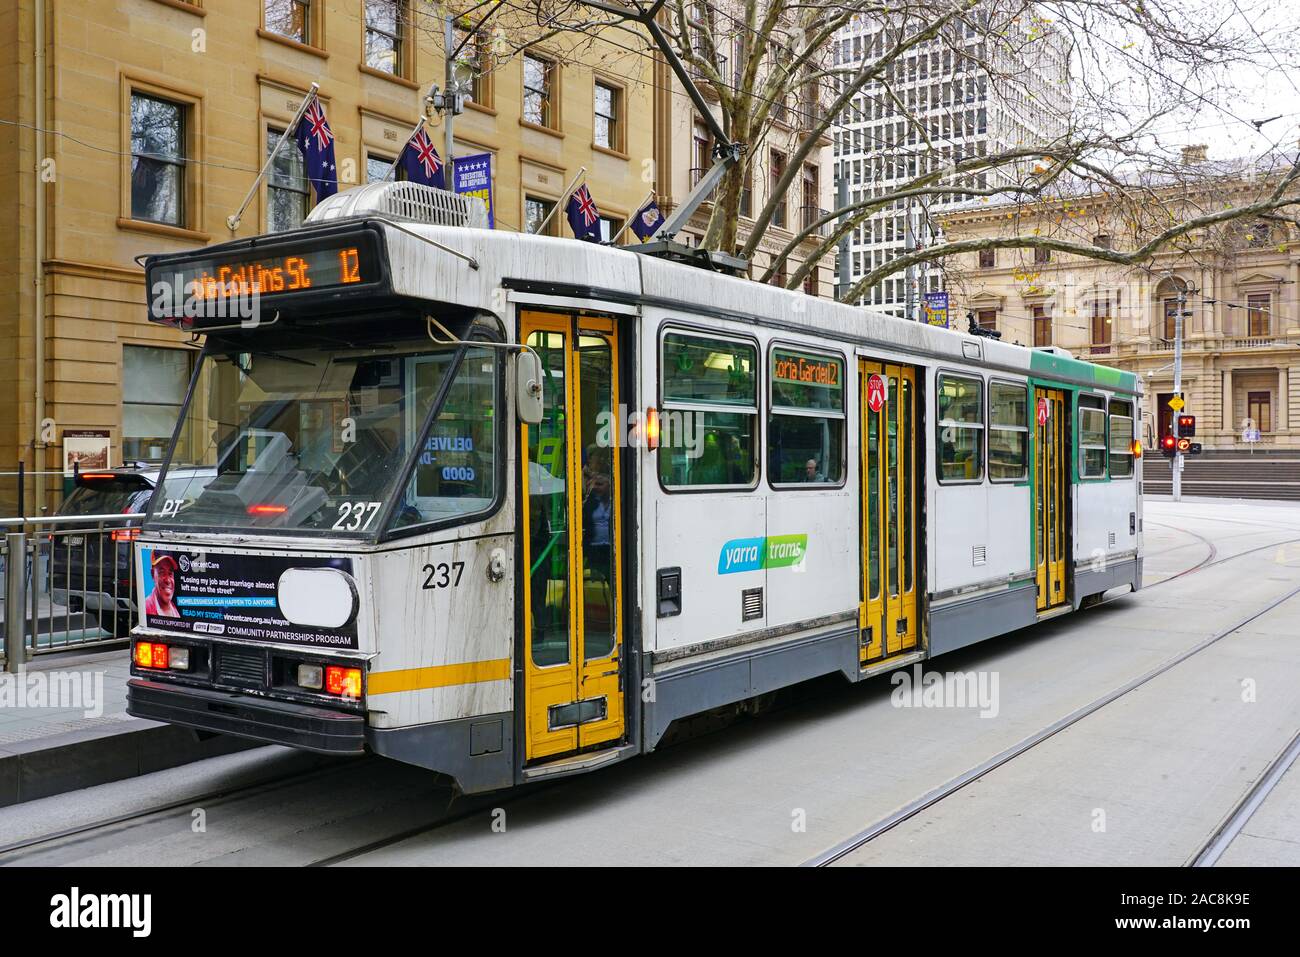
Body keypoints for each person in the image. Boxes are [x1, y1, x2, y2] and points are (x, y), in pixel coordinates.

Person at [144, 552, 180, 618]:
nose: (168, 580)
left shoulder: (174, 609)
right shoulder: (146, 607)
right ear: (152, 574)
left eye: (170, 573)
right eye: (162, 572)